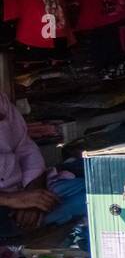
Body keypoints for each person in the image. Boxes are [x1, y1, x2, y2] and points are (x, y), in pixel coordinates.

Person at [0, 92, 84, 239]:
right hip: (7, 211)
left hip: (32, 187)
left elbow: (24, 147)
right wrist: (11, 199)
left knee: (104, 193)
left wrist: (35, 189)